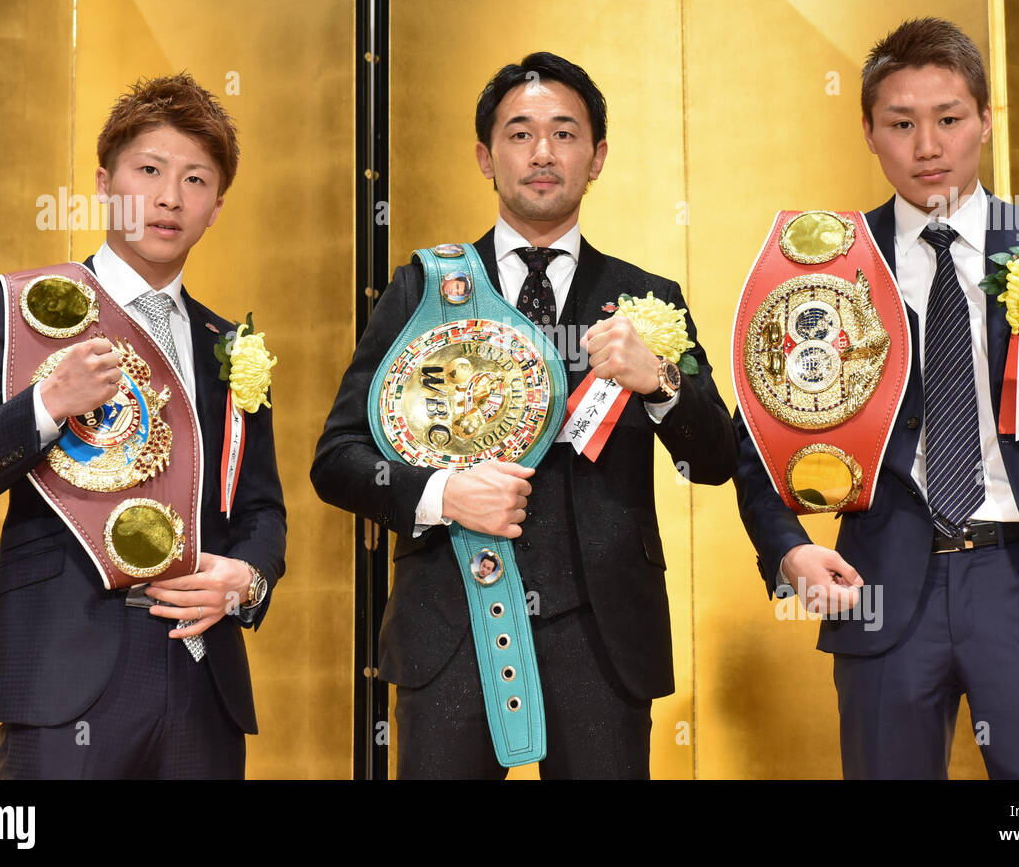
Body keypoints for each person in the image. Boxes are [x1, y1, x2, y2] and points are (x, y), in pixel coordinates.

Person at [733, 17, 1019, 779]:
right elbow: (758, 436)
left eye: (949, 119)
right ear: (869, 132)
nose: (927, 146)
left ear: (987, 121)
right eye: (901, 124)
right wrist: (789, 548)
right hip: (884, 586)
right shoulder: (828, 260)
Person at [312, 52, 737, 779]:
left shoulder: (645, 299)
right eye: (519, 134)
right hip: (450, 625)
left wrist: (660, 378)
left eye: (565, 134)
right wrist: (443, 496)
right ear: (485, 156)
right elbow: (339, 459)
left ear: (597, 156)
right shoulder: (424, 287)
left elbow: (716, 462)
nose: (543, 153)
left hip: (602, 637)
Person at [0, 73, 286, 778]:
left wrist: (246, 579)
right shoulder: (24, 307)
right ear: (103, 182)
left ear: (216, 208)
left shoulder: (231, 345)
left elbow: (263, 509)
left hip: (200, 678)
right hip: (62, 674)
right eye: (148, 170)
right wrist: (45, 406)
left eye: (196, 180)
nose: (169, 197)